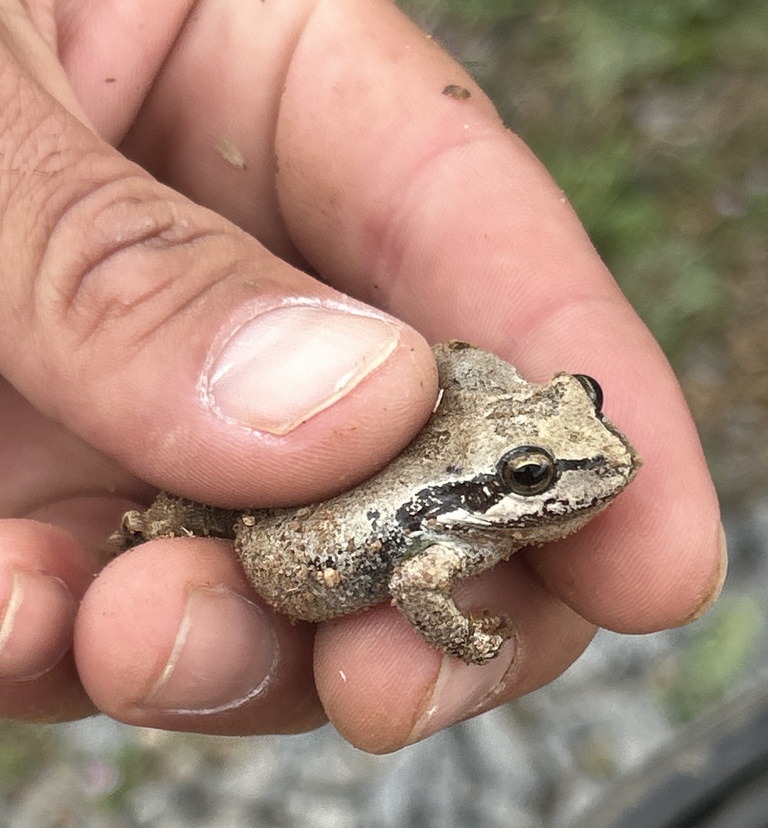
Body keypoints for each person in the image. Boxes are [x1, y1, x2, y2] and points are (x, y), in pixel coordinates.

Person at [0, 0, 724, 752]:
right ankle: (148, 530)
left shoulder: (468, 488)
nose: (606, 452)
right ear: (490, 488)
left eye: (585, 402)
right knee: (159, 581)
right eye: (533, 473)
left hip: (337, 491)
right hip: (278, 538)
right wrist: (470, 640)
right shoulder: (443, 543)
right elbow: (416, 582)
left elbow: (460, 368)